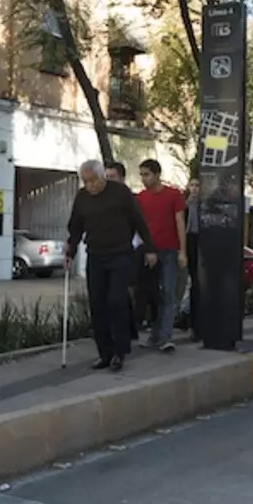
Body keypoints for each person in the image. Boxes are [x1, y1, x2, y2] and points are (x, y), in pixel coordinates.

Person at [65, 159, 155, 372]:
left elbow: (138, 220)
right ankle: (104, 353)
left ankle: (120, 352)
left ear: (102, 177)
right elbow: (76, 227)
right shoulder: (82, 197)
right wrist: (70, 251)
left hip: (120, 254)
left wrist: (150, 248)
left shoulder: (120, 192)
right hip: (96, 255)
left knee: (116, 301)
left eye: (93, 181)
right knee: (97, 304)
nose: (90, 186)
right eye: (86, 182)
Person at [136, 159, 187, 352]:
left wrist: (182, 251)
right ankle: (155, 335)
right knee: (152, 295)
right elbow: (139, 225)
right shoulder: (141, 198)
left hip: (170, 250)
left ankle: (165, 336)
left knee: (168, 294)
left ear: (157, 175)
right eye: (141, 175)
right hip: (150, 251)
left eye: (146, 174)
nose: (143, 179)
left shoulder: (173, 195)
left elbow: (179, 222)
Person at [104, 160, 141, 340]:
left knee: (121, 292)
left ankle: (126, 331)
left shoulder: (130, 199)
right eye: (107, 177)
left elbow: (138, 224)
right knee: (116, 293)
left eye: (113, 177)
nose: (109, 180)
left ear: (122, 178)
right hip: (107, 251)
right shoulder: (103, 198)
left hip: (127, 250)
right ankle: (126, 329)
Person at [175, 177, 201, 337]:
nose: (195, 189)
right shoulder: (184, 204)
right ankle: (184, 315)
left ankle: (189, 317)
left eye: (197, 185)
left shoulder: (205, 205)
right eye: (192, 185)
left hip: (200, 241)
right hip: (187, 240)